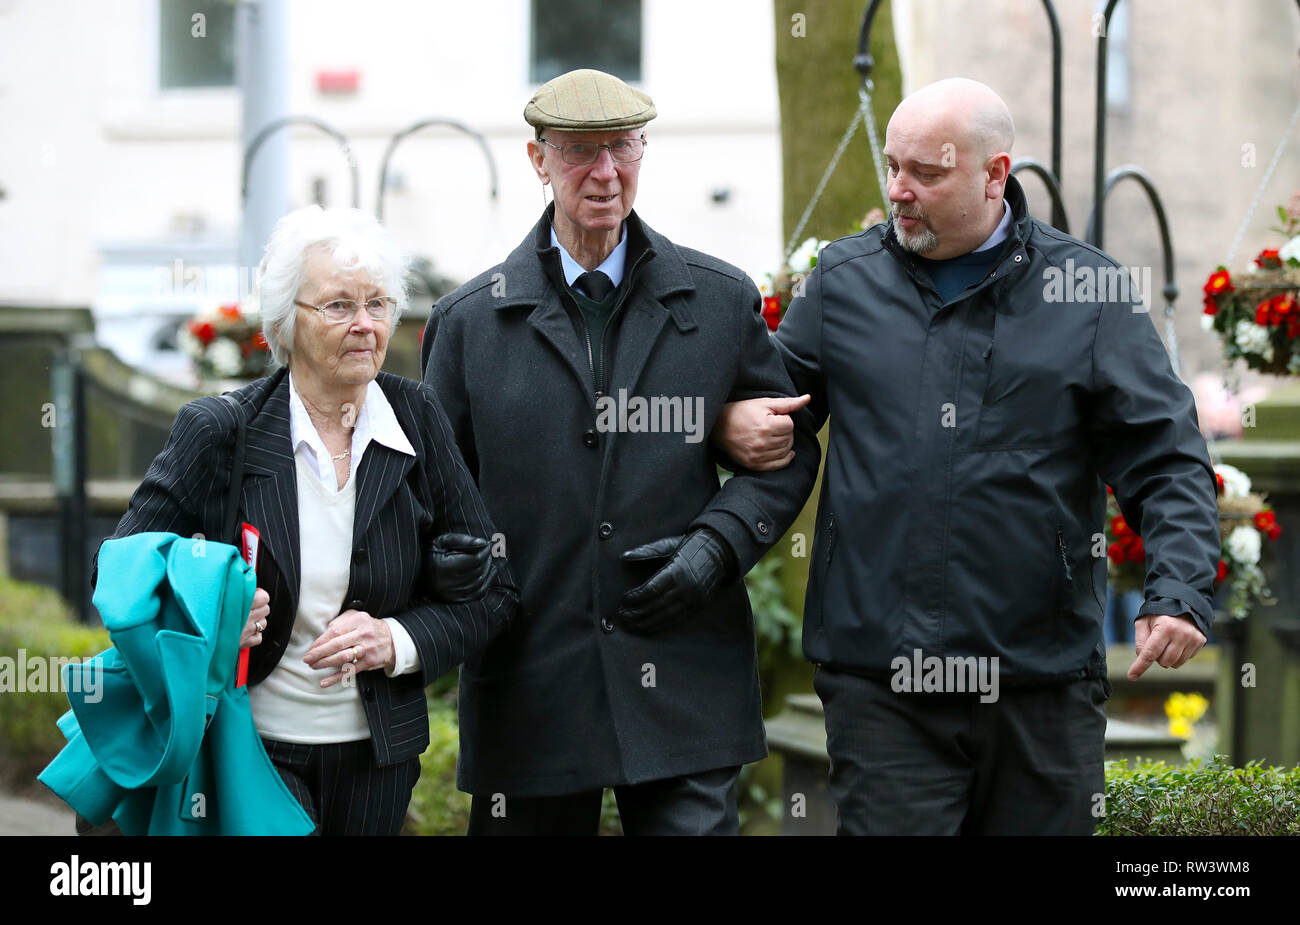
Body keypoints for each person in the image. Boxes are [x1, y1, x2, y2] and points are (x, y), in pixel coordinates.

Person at [714, 78, 1220, 835]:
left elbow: (1166, 455)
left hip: (1041, 683)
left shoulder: (1089, 292)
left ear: (995, 173)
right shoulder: (844, 283)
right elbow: (778, 400)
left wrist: (1178, 589)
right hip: (881, 681)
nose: (898, 190)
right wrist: (728, 418)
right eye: (892, 166)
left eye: (926, 171)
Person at [420, 68, 820, 835]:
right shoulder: (467, 322)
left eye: (622, 147)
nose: (605, 173)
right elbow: (433, 494)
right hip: (528, 681)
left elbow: (787, 451)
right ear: (538, 160)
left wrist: (716, 546)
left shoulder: (719, 297)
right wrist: (447, 562)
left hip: (685, 674)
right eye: (579, 152)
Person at [95, 205, 517, 835]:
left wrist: (394, 640)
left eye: (377, 304)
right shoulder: (219, 430)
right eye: (339, 306)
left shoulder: (417, 419)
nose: (364, 325)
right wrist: (210, 613)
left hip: (379, 758)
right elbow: (121, 570)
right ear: (286, 324)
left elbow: (494, 594)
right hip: (248, 747)